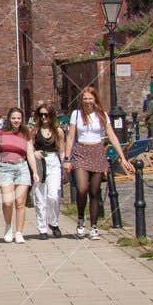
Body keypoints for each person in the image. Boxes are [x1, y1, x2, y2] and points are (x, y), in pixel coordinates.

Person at [64, 85, 134, 239]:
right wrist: (67, 158)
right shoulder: (76, 114)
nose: (87, 101)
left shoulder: (102, 115)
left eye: (90, 98)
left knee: (95, 191)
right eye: (85, 98)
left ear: (95, 99)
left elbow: (112, 136)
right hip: (81, 151)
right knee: (82, 188)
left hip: (97, 152)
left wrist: (122, 157)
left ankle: (94, 226)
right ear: (81, 100)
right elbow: (70, 137)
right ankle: (81, 219)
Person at [0, 107, 35, 242]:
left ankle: (19, 232)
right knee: (7, 202)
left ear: (22, 119)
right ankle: (8, 226)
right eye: (13, 118)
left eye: (18, 118)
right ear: (9, 119)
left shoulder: (26, 132)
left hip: (22, 167)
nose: (16, 120)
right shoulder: (1, 132)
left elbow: (30, 153)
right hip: (6, 168)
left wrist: (35, 172)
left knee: (20, 202)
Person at [30, 103, 64, 238]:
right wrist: (34, 152)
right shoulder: (34, 130)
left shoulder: (58, 131)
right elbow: (29, 148)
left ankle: (53, 222)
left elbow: (61, 150)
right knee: (40, 197)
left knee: (54, 196)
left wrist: (65, 165)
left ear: (52, 115)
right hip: (40, 163)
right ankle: (42, 228)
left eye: (46, 114)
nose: (43, 117)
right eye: (41, 115)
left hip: (54, 161)